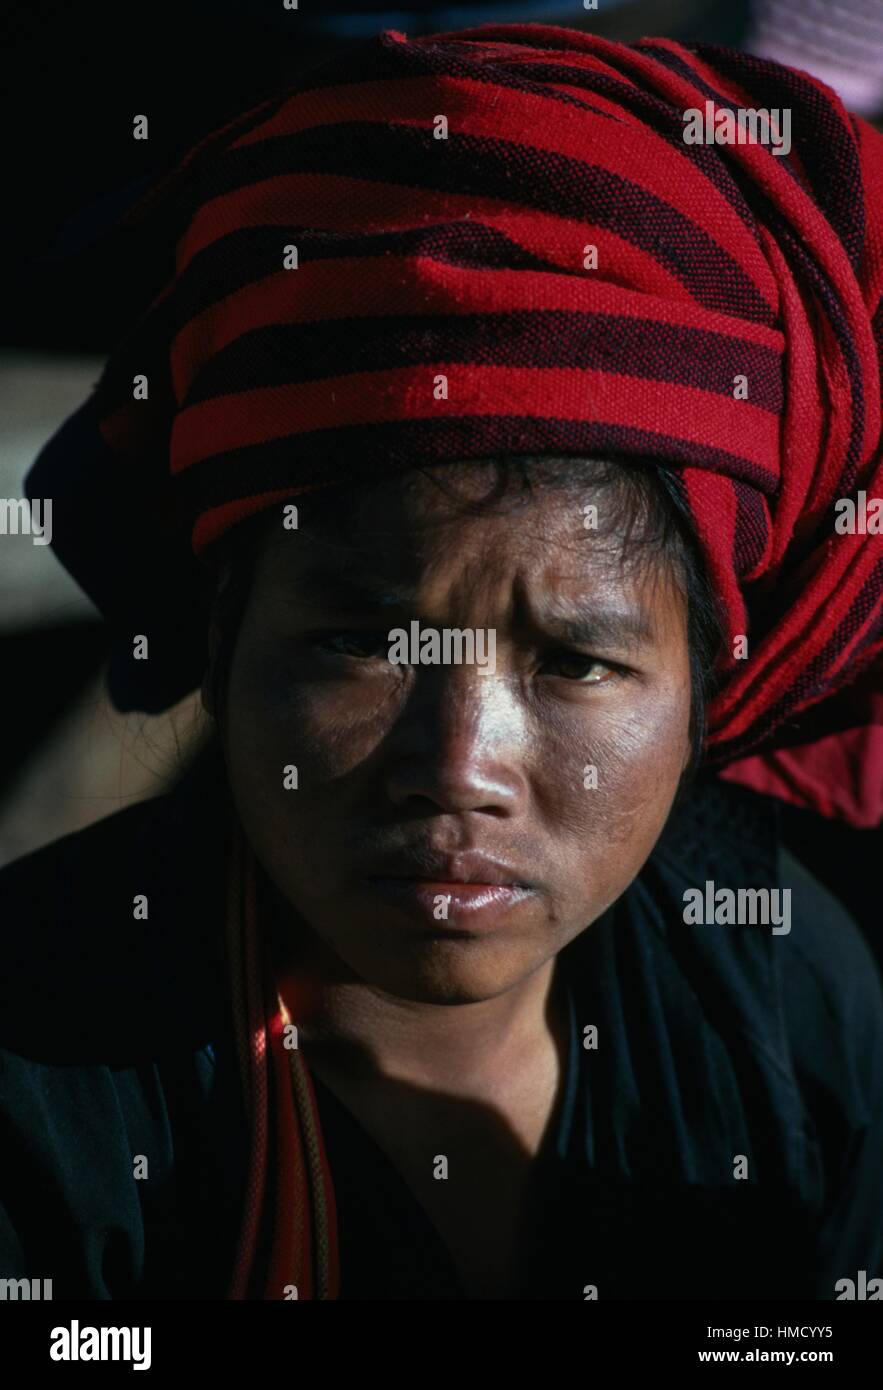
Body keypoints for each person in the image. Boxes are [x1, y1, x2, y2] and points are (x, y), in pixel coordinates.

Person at [3, 23, 883, 1301]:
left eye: (576, 662)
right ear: (221, 632)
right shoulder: (39, 1080)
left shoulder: (781, 998)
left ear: (707, 690)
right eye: (363, 640)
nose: (456, 768)